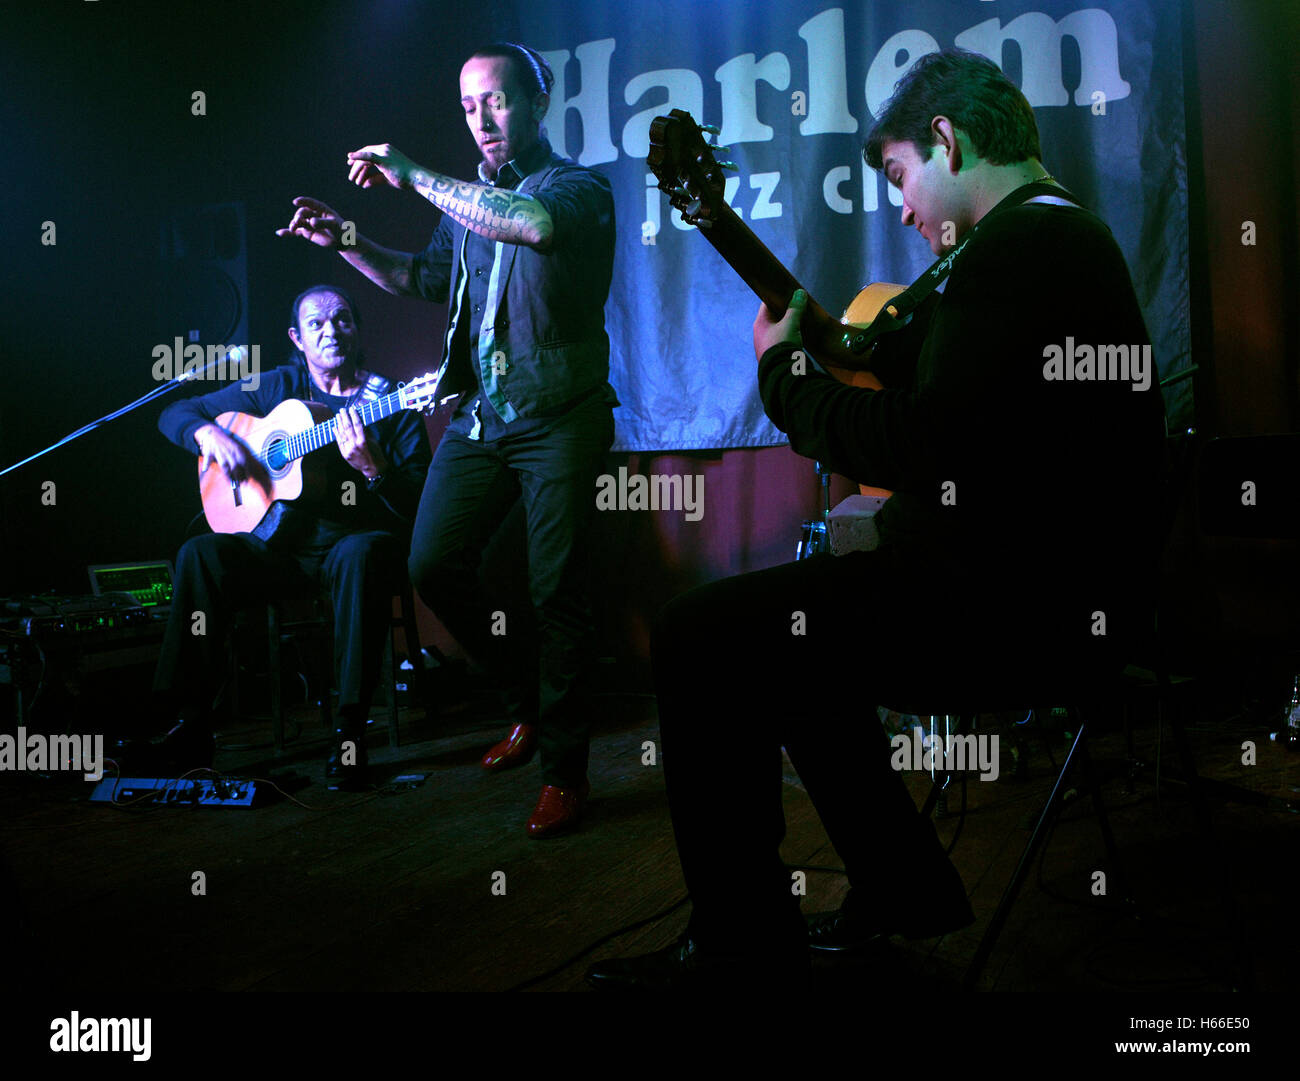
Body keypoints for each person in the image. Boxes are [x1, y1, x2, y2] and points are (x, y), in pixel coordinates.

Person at [586, 49, 1167, 988]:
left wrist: (780, 377)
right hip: (1032, 593)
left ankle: (740, 942)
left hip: (1014, 611)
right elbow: (884, 354)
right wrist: (809, 332)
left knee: (700, 635)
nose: (900, 208)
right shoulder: (1038, 243)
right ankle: (900, 888)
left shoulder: (1026, 247)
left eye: (900, 177)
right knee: (796, 636)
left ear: (947, 137)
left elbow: (918, 438)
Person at [277, 42, 617, 837]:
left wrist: (416, 173)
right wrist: (346, 241)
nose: (482, 119)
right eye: (468, 107)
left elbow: (529, 225)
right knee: (431, 561)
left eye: (497, 100)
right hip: (483, 416)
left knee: (554, 586)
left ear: (538, 100)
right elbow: (423, 280)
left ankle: (567, 774)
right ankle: (525, 706)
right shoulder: (464, 207)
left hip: (560, 417)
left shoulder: (577, 187)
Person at [153, 285, 432, 789]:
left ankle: (349, 734)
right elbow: (174, 412)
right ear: (296, 338)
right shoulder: (277, 384)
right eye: (316, 325)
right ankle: (186, 726)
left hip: (350, 545)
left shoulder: (392, 401)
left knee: (362, 552)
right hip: (274, 545)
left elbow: (417, 507)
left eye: (343, 319)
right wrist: (208, 435)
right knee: (200, 553)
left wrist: (376, 470)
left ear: (358, 328)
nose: (331, 331)